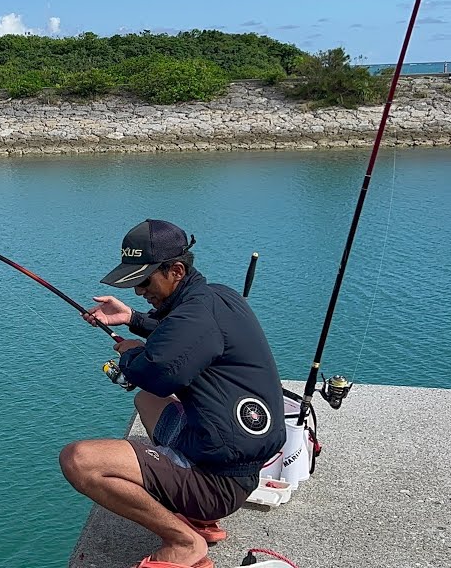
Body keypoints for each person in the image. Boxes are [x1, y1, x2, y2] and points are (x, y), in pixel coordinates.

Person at [58, 219, 284, 568]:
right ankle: (196, 517)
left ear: (176, 270)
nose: (138, 291)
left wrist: (130, 353)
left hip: (216, 482)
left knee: (79, 459)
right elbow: (178, 333)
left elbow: (156, 373)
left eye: (143, 281)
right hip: (236, 461)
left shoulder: (194, 317)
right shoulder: (217, 297)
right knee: (146, 402)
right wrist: (132, 317)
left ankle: (184, 542)